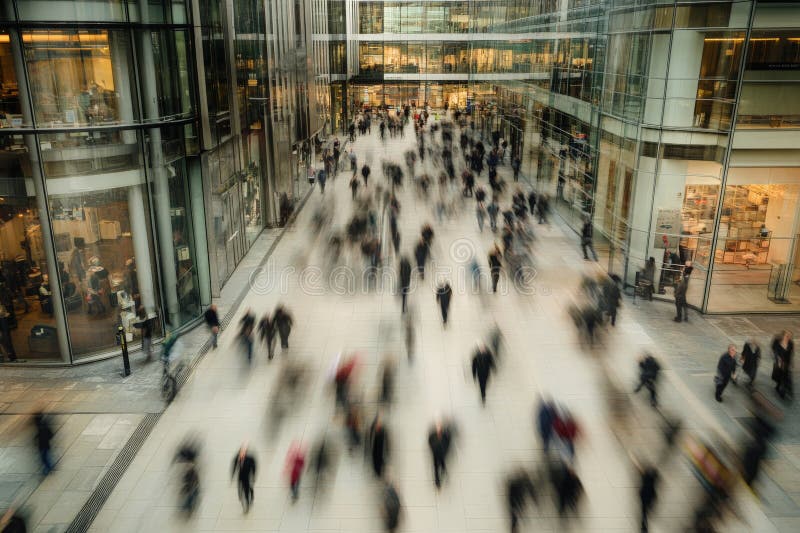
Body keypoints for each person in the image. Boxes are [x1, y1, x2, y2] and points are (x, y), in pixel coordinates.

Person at [506, 468, 536, 533]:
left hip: (515, 503)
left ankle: (514, 528)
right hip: (515, 503)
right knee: (515, 517)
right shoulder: (519, 484)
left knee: (514, 517)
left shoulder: (519, 484)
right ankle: (514, 529)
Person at [427, 421, 453, 488]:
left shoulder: (445, 436)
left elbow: (448, 442)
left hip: (442, 454)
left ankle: (443, 472)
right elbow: (429, 441)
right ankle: (437, 482)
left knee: (442, 465)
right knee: (436, 468)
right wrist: (433, 448)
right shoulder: (433, 436)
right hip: (435, 453)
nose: (439, 431)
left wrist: (445, 450)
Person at [231, 444, 256, 512]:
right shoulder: (237, 458)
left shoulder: (250, 458)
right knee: (240, 490)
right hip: (240, 477)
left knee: (246, 491)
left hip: (247, 476)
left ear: (245, 453)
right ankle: (243, 497)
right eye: (241, 452)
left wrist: (253, 476)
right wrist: (232, 475)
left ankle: (247, 505)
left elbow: (254, 467)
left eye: (243, 452)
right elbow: (234, 466)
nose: (241, 454)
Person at [771, 330, 794, 399]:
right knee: (777, 376)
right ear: (783, 335)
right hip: (778, 362)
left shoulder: (791, 344)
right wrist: (778, 360)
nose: (788, 337)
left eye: (789, 336)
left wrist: (791, 363)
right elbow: (775, 351)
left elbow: (790, 354)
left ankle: (783, 392)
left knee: (785, 377)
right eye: (787, 336)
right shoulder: (777, 341)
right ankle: (778, 386)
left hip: (786, 363)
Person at [638, 465, 659, 533]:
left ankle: (644, 525)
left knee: (644, 512)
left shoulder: (646, 478)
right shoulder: (652, 482)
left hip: (644, 497)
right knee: (645, 512)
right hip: (648, 497)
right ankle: (644, 525)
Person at [368, 413, 390, 478]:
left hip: (381, 453)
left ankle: (379, 473)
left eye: (379, 423)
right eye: (377, 423)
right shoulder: (374, 432)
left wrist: (387, 452)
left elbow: (386, 443)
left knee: (380, 463)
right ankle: (378, 473)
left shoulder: (383, 432)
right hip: (375, 453)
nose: (378, 424)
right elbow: (371, 442)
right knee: (376, 463)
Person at [33, 411, 54, 475]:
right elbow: (50, 435)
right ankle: (49, 467)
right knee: (45, 457)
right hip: (44, 445)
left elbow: (50, 435)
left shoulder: (42, 428)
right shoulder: (43, 428)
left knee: (44, 458)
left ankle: (49, 468)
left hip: (43, 445)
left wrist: (37, 439)